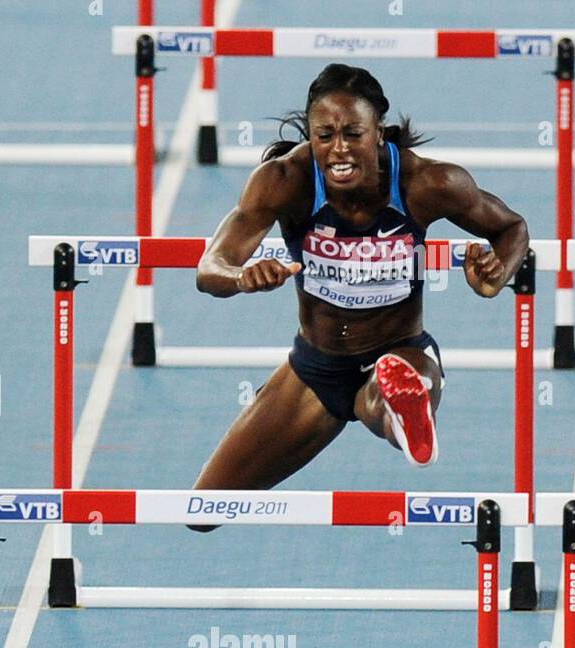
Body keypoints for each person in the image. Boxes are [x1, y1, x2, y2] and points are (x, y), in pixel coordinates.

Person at [192, 63, 527, 502]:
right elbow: (210, 268)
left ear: (378, 132)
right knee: (205, 507)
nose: (339, 150)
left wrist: (496, 275)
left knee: (382, 398)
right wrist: (241, 276)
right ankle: (391, 404)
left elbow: (511, 228)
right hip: (316, 366)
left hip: (402, 352)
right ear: (311, 134)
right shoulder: (284, 180)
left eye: (353, 134)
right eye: (325, 135)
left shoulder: (428, 183)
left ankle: (400, 406)